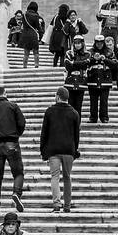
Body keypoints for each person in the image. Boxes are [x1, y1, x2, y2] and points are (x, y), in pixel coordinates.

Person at [0, 83, 26, 212]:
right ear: (5, 92)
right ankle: (16, 193)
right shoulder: (13, 106)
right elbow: (22, 123)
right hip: (11, 142)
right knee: (18, 173)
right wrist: (15, 135)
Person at [40, 85, 80, 214]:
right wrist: (75, 150)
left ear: (57, 96)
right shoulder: (74, 113)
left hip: (53, 150)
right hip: (69, 150)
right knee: (67, 177)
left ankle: (57, 204)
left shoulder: (50, 111)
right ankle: (67, 206)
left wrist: (43, 151)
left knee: (55, 177)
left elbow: (44, 133)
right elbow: (76, 135)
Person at [64, 34, 90, 118]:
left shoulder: (87, 54)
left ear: (82, 44)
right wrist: (81, 63)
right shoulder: (69, 53)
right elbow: (68, 66)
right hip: (70, 82)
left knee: (78, 106)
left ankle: (77, 125)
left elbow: (85, 65)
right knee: (70, 106)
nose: (77, 45)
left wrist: (74, 63)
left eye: (79, 43)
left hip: (81, 82)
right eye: (75, 43)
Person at [86, 41, 113, 124]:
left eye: (101, 43)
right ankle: (93, 117)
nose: (99, 45)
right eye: (97, 43)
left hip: (105, 80)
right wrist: (94, 59)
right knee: (93, 101)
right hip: (93, 80)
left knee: (104, 101)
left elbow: (114, 64)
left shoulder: (109, 52)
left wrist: (105, 59)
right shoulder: (90, 52)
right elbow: (86, 63)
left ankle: (104, 117)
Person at [21, 1, 45, 70]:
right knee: (36, 51)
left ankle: (24, 66)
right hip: (33, 34)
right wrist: (41, 36)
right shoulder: (36, 16)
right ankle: (36, 65)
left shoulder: (24, 15)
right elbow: (38, 27)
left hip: (25, 34)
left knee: (26, 53)